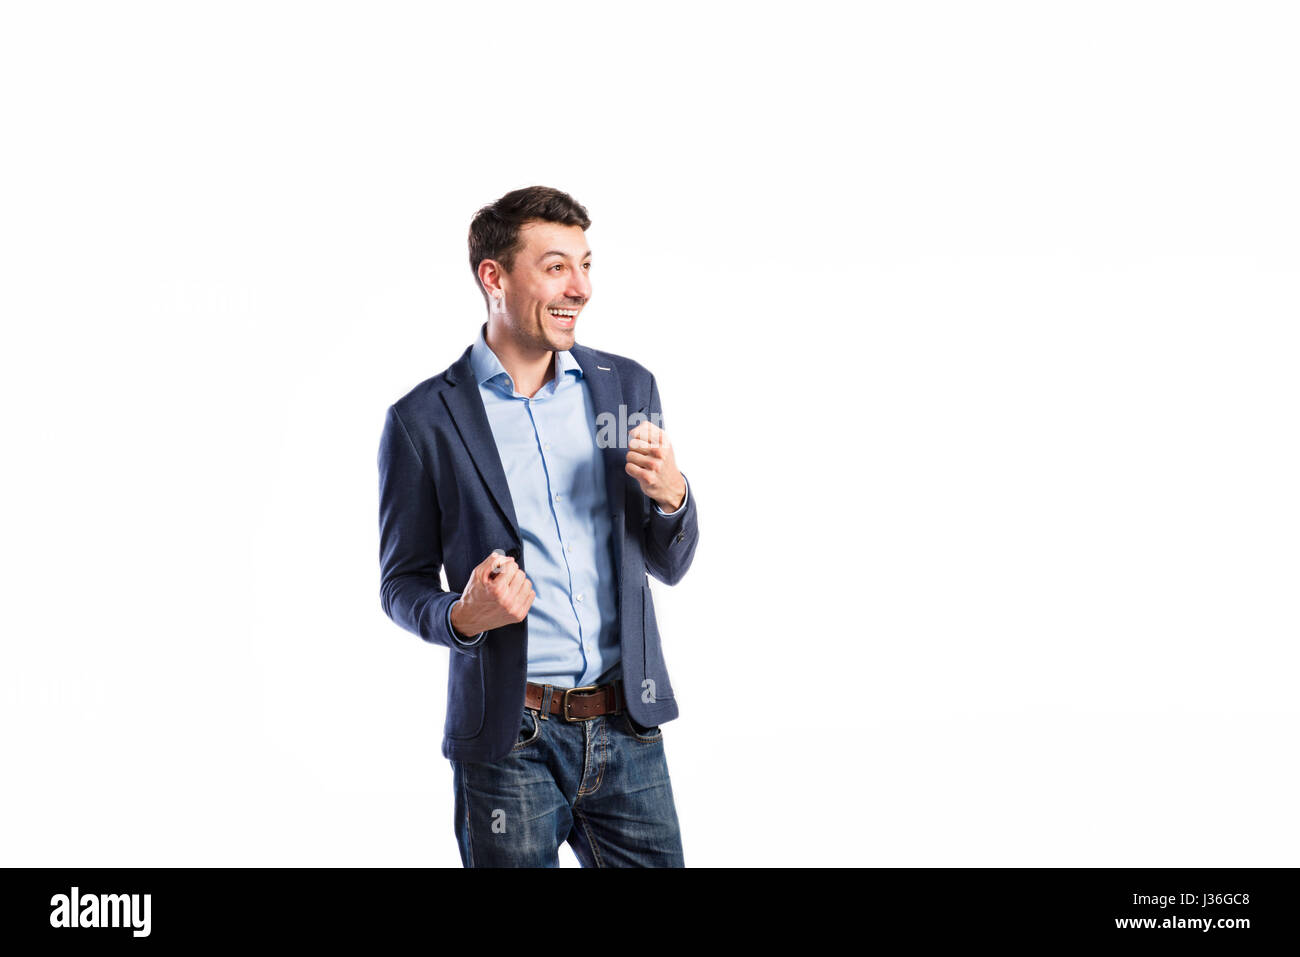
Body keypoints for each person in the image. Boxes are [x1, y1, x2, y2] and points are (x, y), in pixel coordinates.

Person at [377, 185, 700, 867]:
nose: (580, 288)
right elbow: (401, 583)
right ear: (493, 276)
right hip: (508, 739)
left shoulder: (626, 388)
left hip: (627, 727)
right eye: (556, 266)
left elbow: (668, 562)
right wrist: (465, 615)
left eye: (586, 265)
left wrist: (673, 498)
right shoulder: (423, 421)